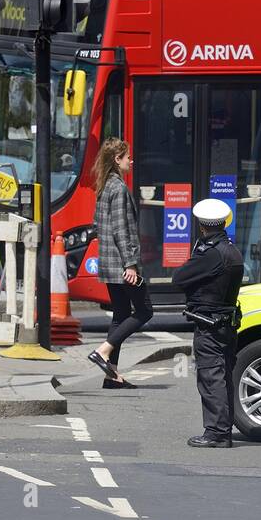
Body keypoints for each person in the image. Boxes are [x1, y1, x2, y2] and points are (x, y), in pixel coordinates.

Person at [173, 199, 244, 449]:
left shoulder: (210, 254)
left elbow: (179, 277)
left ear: (202, 226)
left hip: (210, 325)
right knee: (223, 376)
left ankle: (216, 433)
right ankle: (223, 429)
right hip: (226, 323)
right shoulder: (231, 250)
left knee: (211, 376)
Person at [86, 138, 152, 389]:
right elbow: (121, 230)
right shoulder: (119, 189)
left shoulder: (105, 186)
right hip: (121, 264)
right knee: (145, 311)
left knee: (121, 314)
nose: (131, 160)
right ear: (117, 160)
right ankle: (103, 351)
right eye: (127, 157)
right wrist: (131, 264)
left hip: (109, 263)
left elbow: (98, 225)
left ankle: (111, 375)